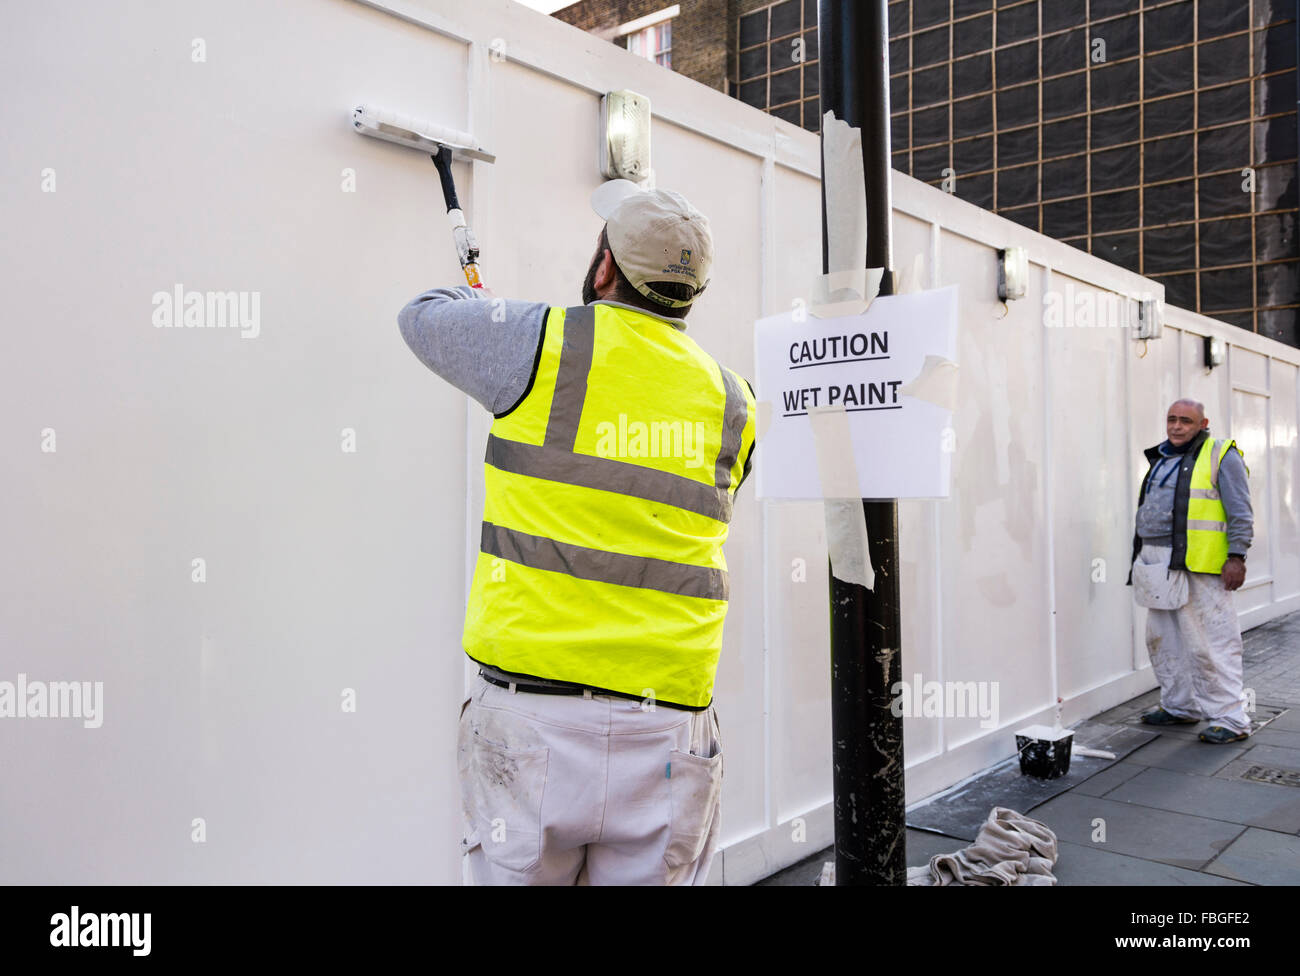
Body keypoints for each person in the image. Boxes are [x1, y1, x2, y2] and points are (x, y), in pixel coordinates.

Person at [397, 179, 756, 884]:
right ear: (692, 291)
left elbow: (422, 317)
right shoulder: (733, 400)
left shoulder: (539, 341)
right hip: (668, 729)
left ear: (603, 269)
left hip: (534, 723)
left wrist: (492, 315)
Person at [1127, 398, 1253, 743]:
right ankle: (1181, 707)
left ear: (1202, 422)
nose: (1177, 426)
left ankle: (1231, 720)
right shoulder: (1163, 457)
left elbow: (1240, 510)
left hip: (1200, 565)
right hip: (1156, 561)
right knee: (1164, 640)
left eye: (1185, 420)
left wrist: (1237, 556)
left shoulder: (1219, 454)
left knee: (1211, 642)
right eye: (1171, 419)